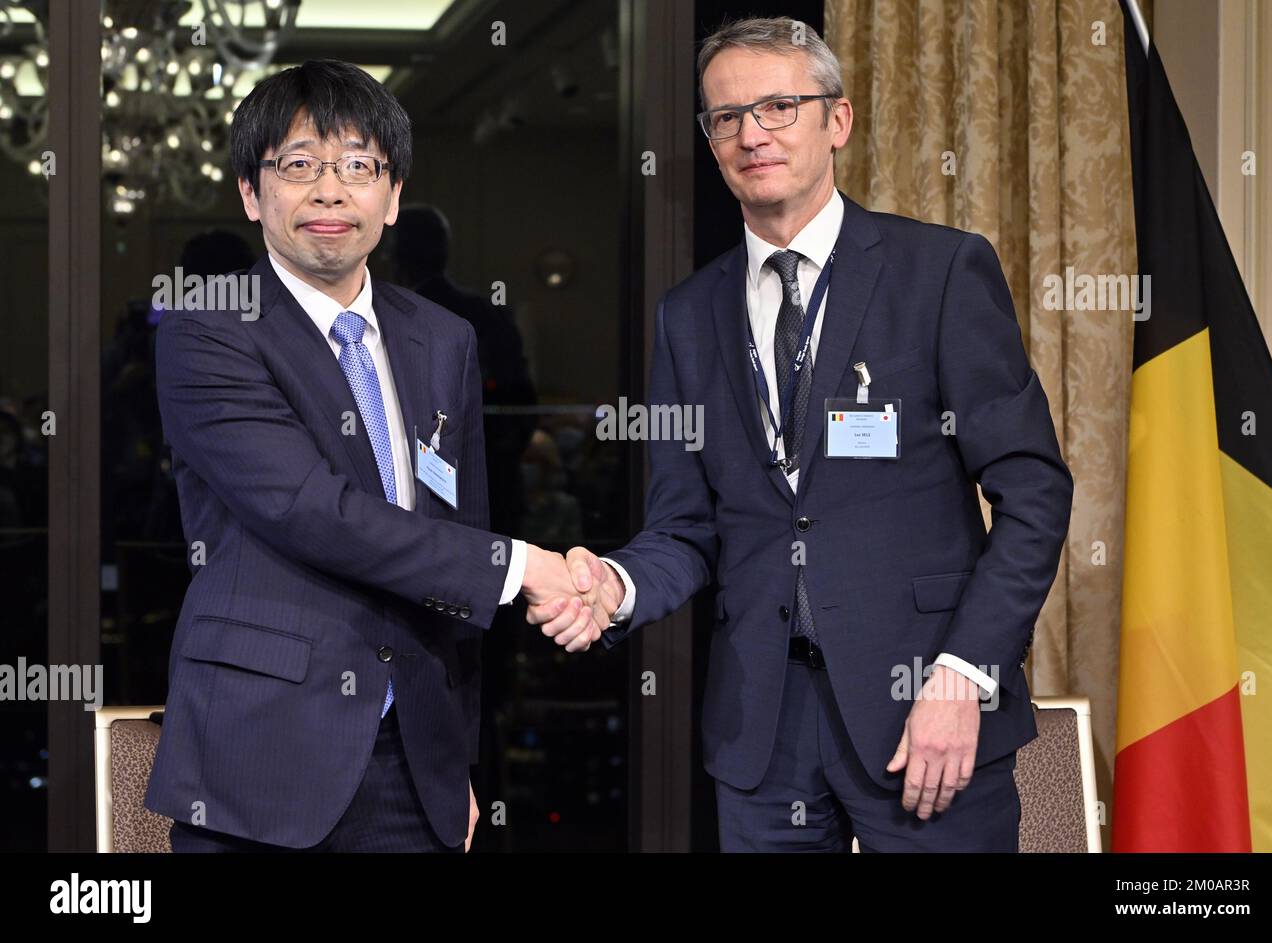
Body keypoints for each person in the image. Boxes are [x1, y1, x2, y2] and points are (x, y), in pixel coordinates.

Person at [531, 18, 1073, 852]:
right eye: (725, 117)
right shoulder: (688, 315)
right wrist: (614, 584)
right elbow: (687, 525)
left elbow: (1035, 491)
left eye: (780, 106)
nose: (752, 134)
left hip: (926, 711)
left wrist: (965, 675)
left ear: (838, 121)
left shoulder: (939, 273)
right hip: (762, 733)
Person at [144, 59, 600, 853]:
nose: (330, 190)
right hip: (262, 754)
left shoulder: (442, 339)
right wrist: (526, 567)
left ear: (391, 198)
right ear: (252, 193)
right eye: (299, 164)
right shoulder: (209, 329)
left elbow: (456, 538)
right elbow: (312, 510)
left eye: (359, 165)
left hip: (411, 763)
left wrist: (452, 755)